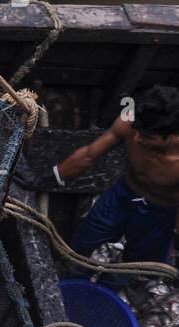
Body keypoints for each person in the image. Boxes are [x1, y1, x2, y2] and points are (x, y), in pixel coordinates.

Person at [52, 85, 179, 271]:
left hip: (159, 214)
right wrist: (50, 177)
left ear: (172, 137)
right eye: (136, 131)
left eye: (147, 137)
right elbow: (89, 155)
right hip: (121, 197)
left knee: (141, 269)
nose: (137, 139)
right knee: (80, 250)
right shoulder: (129, 122)